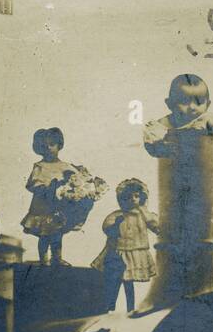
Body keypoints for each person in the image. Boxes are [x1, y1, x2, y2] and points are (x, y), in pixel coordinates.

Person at [20, 128, 103, 268]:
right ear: (39, 148)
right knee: (44, 235)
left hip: (59, 207)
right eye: (44, 146)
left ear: (59, 145)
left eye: (52, 144)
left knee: (57, 234)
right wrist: (47, 189)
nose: (49, 148)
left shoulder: (67, 166)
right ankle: (43, 260)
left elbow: (77, 181)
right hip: (43, 206)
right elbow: (32, 185)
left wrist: (79, 188)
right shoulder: (39, 166)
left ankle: (56, 259)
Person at [92, 178, 159, 316]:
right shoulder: (116, 215)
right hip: (117, 251)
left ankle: (130, 308)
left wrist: (146, 213)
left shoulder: (144, 215)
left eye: (136, 196)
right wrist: (116, 224)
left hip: (135, 251)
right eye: (128, 197)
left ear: (141, 198)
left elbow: (156, 226)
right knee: (114, 282)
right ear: (122, 199)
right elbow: (107, 229)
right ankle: (109, 307)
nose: (133, 200)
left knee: (128, 283)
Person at [143, 74, 213, 165]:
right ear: (170, 104)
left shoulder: (205, 120)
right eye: (184, 101)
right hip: (173, 172)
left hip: (203, 170)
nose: (192, 107)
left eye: (199, 102)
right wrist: (161, 148)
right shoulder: (165, 123)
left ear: (208, 105)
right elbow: (150, 142)